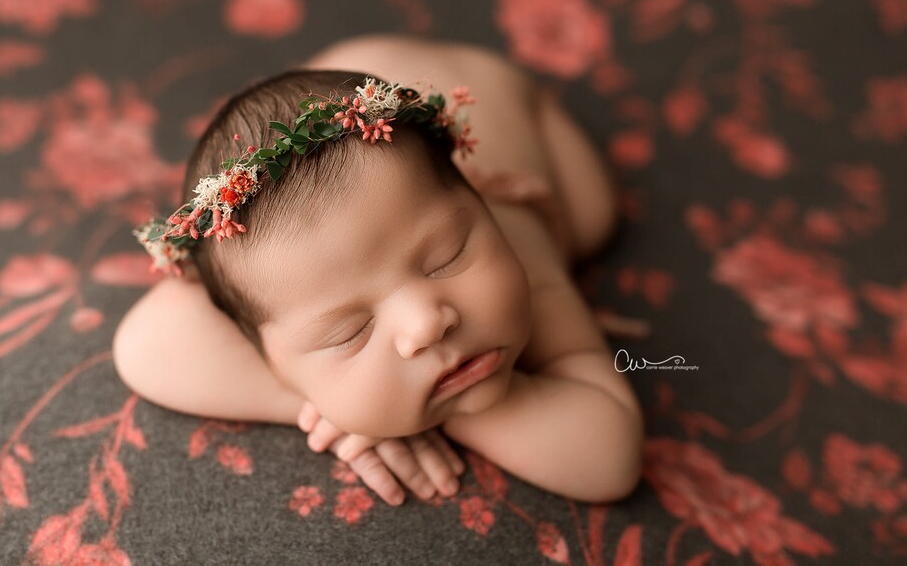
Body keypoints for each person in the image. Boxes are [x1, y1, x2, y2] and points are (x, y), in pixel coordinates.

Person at [113, 34, 649, 507]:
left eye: (447, 258)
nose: (427, 323)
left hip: (498, 98)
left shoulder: (522, 255)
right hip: (351, 85)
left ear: (481, 206)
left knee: (594, 217)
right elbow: (145, 346)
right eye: (351, 331)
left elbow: (610, 457)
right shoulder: (283, 277)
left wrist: (429, 412)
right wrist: (322, 405)